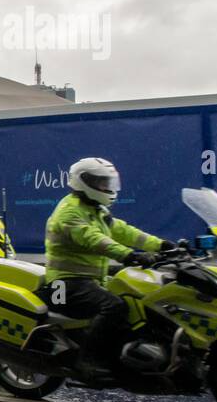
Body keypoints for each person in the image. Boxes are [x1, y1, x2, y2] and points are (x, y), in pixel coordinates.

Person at [44, 157, 173, 379]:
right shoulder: (69, 212)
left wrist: (161, 244)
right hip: (64, 284)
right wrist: (129, 255)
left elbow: (123, 231)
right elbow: (94, 239)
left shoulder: (95, 209)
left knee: (137, 299)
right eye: (102, 183)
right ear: (84, 182)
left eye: (109, 183)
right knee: (114, 306)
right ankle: (87, 359)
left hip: (88, 281)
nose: (107, 188)